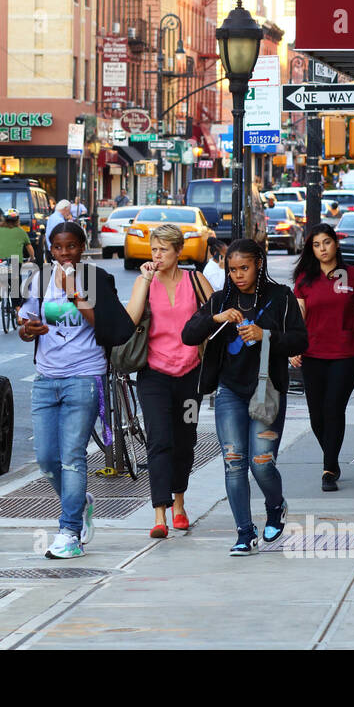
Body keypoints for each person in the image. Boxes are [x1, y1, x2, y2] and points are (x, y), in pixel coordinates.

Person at [183, 238, 308, 554]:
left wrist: (265, 335)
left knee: (261, 463)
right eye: (232, 268)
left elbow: (299, 341)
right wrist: (216, 318)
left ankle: (275, 506)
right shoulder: (220, 300)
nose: (238, 274)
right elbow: (188, 335)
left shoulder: (280, 297)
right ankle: (243, 532)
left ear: (259, 265)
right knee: (234, 461)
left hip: (267, 393)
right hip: (230, 393)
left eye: (244, 268)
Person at [19, 222, 132, 559]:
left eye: (71, 246)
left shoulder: (95, 278)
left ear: (83, 247)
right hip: (46, 379)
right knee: (47, 460)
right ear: (50, 249)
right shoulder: (38, 279)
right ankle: (80, 503)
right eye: (58, 247)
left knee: (72, 457)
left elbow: (111, 327)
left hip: (84, 377)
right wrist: (30, 329)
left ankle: (69, 532)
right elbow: (26, 326)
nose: (64, 253)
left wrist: (75, 293)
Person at [126, 224, 214, 538]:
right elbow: (132, 319)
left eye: (164, 250)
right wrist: (146, 279)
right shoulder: (144, 281)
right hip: (154, 375)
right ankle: (160, 513)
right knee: (159, 439)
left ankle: (180, 503)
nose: (157, 256)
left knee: (186, 439)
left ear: (179, 252)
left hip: (191, 375)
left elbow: (215, 320)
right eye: (154, 250)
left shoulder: (196, 280)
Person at [290, 224, 354, 492]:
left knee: (333, 408)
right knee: (316, 416)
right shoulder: (305, 279)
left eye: (327, 242)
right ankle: (331, 455)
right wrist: (294, 347)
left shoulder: (353, 276)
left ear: (336, 244)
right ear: (312, 249)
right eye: (317, 245)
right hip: (313, 353)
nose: (322, 249)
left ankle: (329, 468)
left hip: (348, 353)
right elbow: (300, 316)